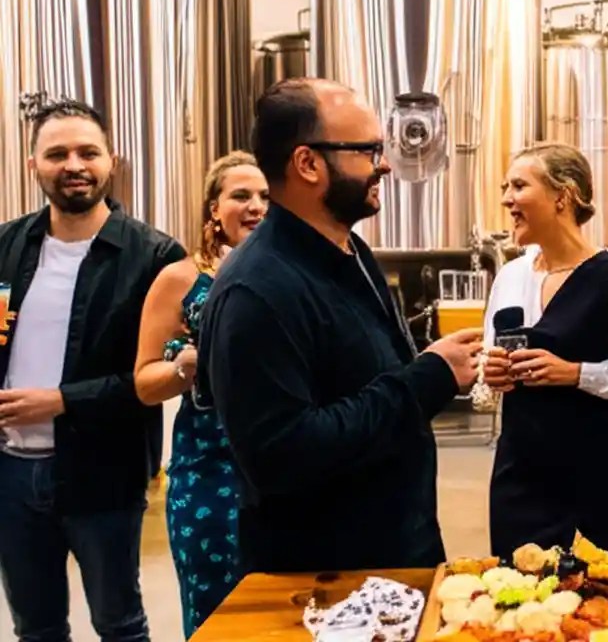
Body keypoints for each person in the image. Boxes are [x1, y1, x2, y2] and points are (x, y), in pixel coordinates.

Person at [197, 79, 487, 573]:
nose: (386, 165)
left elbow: (364, 386)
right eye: (368, 150)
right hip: (326, 580)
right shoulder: (257, 290)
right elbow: (281, 454)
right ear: (308, 163)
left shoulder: (349, 251)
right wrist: (428, 378)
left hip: (394, 549)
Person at [0, 97, 185, 641]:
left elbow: (156, 380)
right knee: (35, 627)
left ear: (112, 161)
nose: (73, 165)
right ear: (33, 164)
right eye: (57, 154)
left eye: (88, 152)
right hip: (9, 475)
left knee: (118, 623)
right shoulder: (6, 247)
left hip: (103, 472)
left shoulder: (155, 258)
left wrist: (61, 401)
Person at [482, 142, 608, 559]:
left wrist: (577, 373)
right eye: (505, 187)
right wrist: (489, 375)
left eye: (518, 185)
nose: (506, 199)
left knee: (592, 603)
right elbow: (485, 365)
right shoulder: (510, 277)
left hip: (592, 478)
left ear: (562, 196)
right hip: (519, 475)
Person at [134, 152, 268, 637]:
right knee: (217, 613)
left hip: (285, 466)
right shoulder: (181, 279)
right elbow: (145, 383)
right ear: (214, 209)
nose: (256, 207)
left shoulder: (291, 273)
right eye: (241, 196)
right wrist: (181, 369)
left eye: (266, 197)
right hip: (210, 472)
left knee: (285, 610)